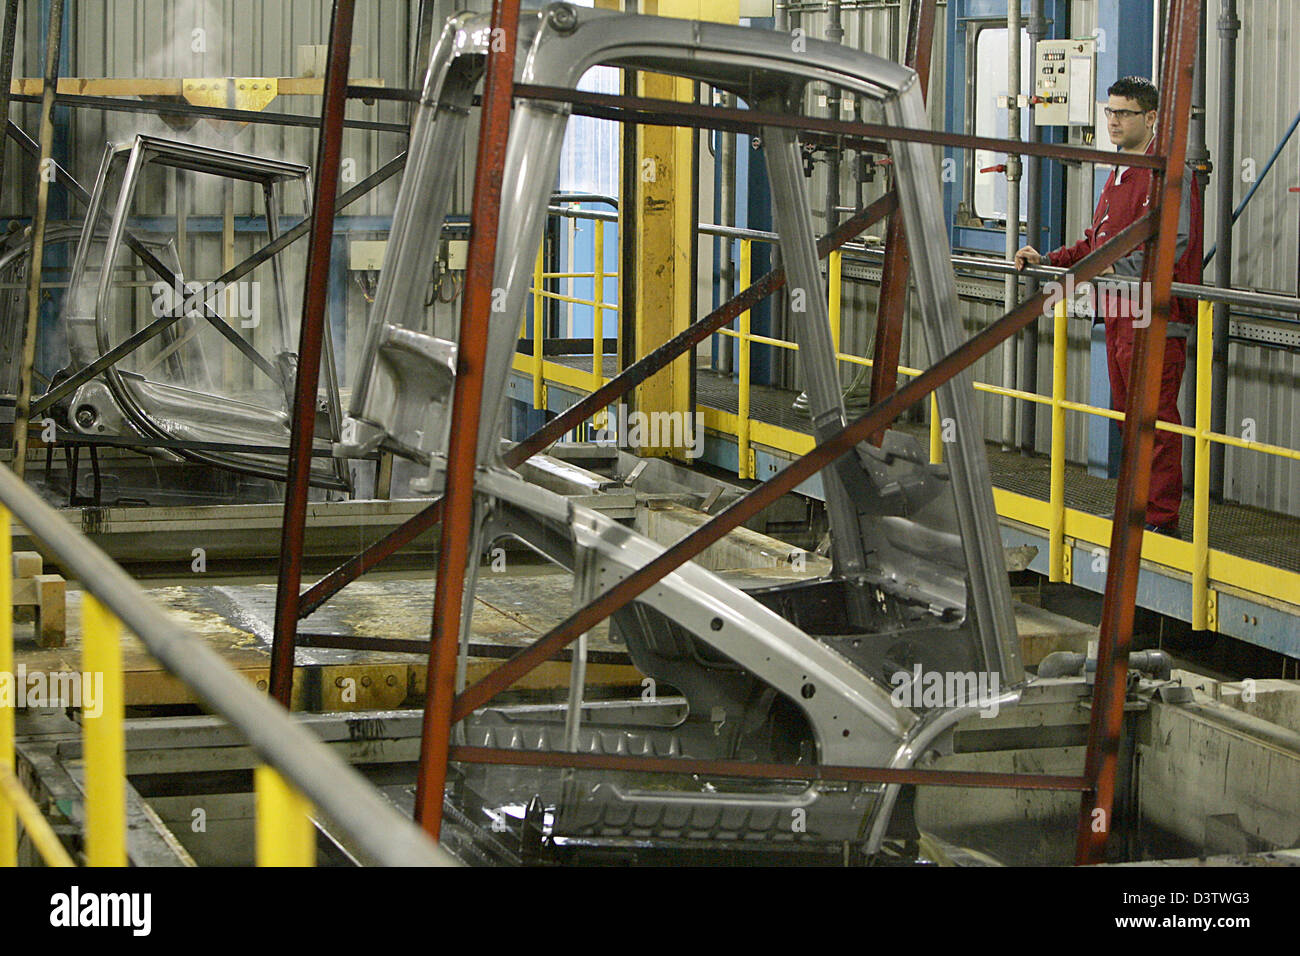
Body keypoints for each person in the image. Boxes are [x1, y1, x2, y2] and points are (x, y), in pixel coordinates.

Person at [1015, 76, 1202, 535]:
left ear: (1152, 117)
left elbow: (1170, 247)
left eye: (1124, 113)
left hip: (1154, 315)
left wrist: (1104, 272)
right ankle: (1134, 511)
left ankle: (1160, 520)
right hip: (1119, 312)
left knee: (1153, 421)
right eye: (1110, 112)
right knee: (1128, 419)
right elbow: (1095, 241)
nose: (1114, 121)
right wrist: (1051, 259)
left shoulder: (1170, 174)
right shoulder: (1117, 172)